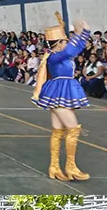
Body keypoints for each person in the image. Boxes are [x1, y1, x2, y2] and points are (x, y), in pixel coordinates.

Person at [34, 14, 94, 181]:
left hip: (60, 93)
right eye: (64, 41)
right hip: (59, 94)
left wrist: (84, 33)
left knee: (58, 131)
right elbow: (71, 50)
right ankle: (71, 167)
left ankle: (54, 167)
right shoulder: (54, 56)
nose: (66, 43)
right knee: (73, 128)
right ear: (59, 43)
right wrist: (80, 33)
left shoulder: (59, 54)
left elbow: (75, 49)